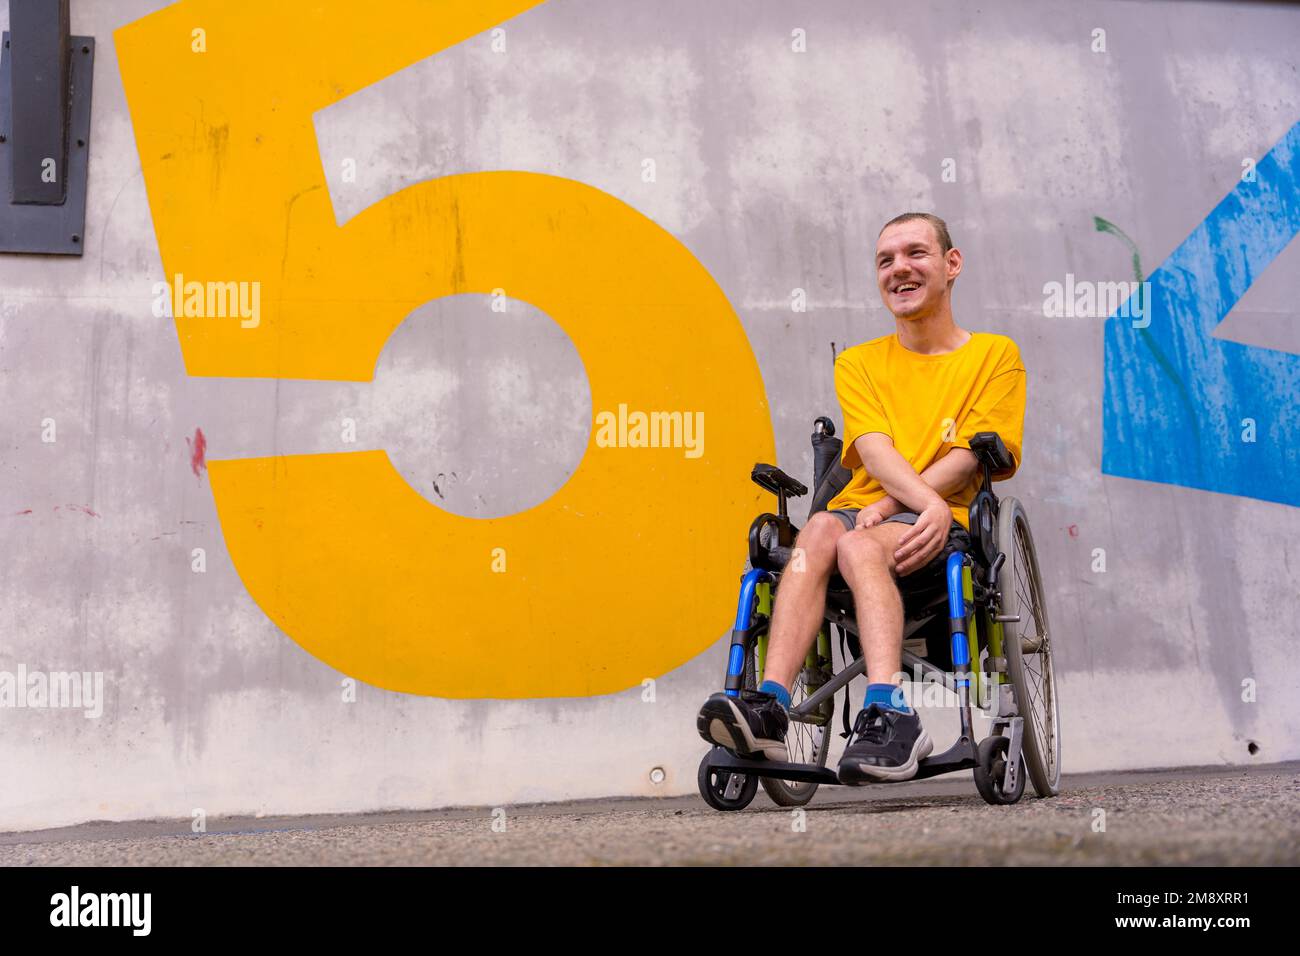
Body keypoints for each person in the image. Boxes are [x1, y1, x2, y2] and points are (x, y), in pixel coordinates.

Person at [697, 212, 1026, 783]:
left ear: (952, 265)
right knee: (821, 529)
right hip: (870, 512)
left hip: (938, 523)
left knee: (856, 548)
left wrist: (912, 505)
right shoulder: (858, 362)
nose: (899, 267)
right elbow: (872, 450)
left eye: (915, 253)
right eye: (885, 259)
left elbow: (975, 454)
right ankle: (771, 704)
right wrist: (891, 505)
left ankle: (890, 707)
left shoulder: (996, 356)